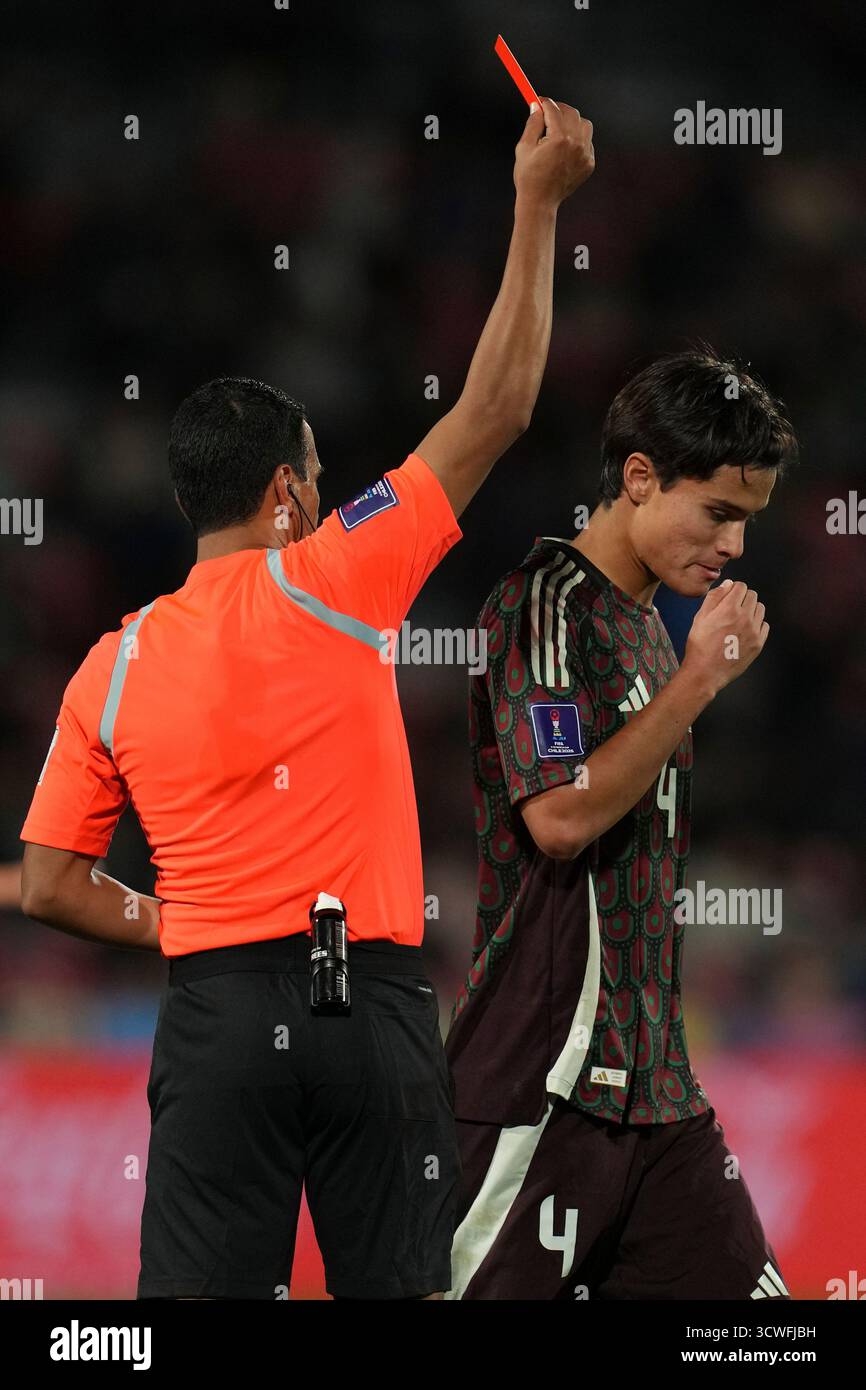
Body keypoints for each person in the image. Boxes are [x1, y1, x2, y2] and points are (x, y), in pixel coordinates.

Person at [18, 96, 595, 1301]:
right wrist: (535, 203)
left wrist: (176, 922)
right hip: (366, 1011)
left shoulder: (108, 666)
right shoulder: (336, 572)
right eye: (322, 478)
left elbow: (51, 884)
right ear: (288, 492)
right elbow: (493, 410)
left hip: (216, 1015)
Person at [444, 347, 799, 1300]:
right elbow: (559, 817)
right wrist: (698, 680)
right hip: (544, 1084)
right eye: (718, 512)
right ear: (639, 476)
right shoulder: (540, 605)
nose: (732, 547)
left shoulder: (648, 623)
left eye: (748, 521)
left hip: (658, 1094)